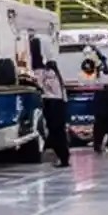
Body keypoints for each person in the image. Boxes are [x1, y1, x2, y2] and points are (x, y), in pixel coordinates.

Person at [31, 36, 70, 168]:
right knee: (57, 130)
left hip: (52, 102)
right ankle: (61, 156)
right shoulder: (53, 68)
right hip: (57, 101)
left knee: (55, 130)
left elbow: (40, 84)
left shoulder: (44, 70)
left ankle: (61, 156)